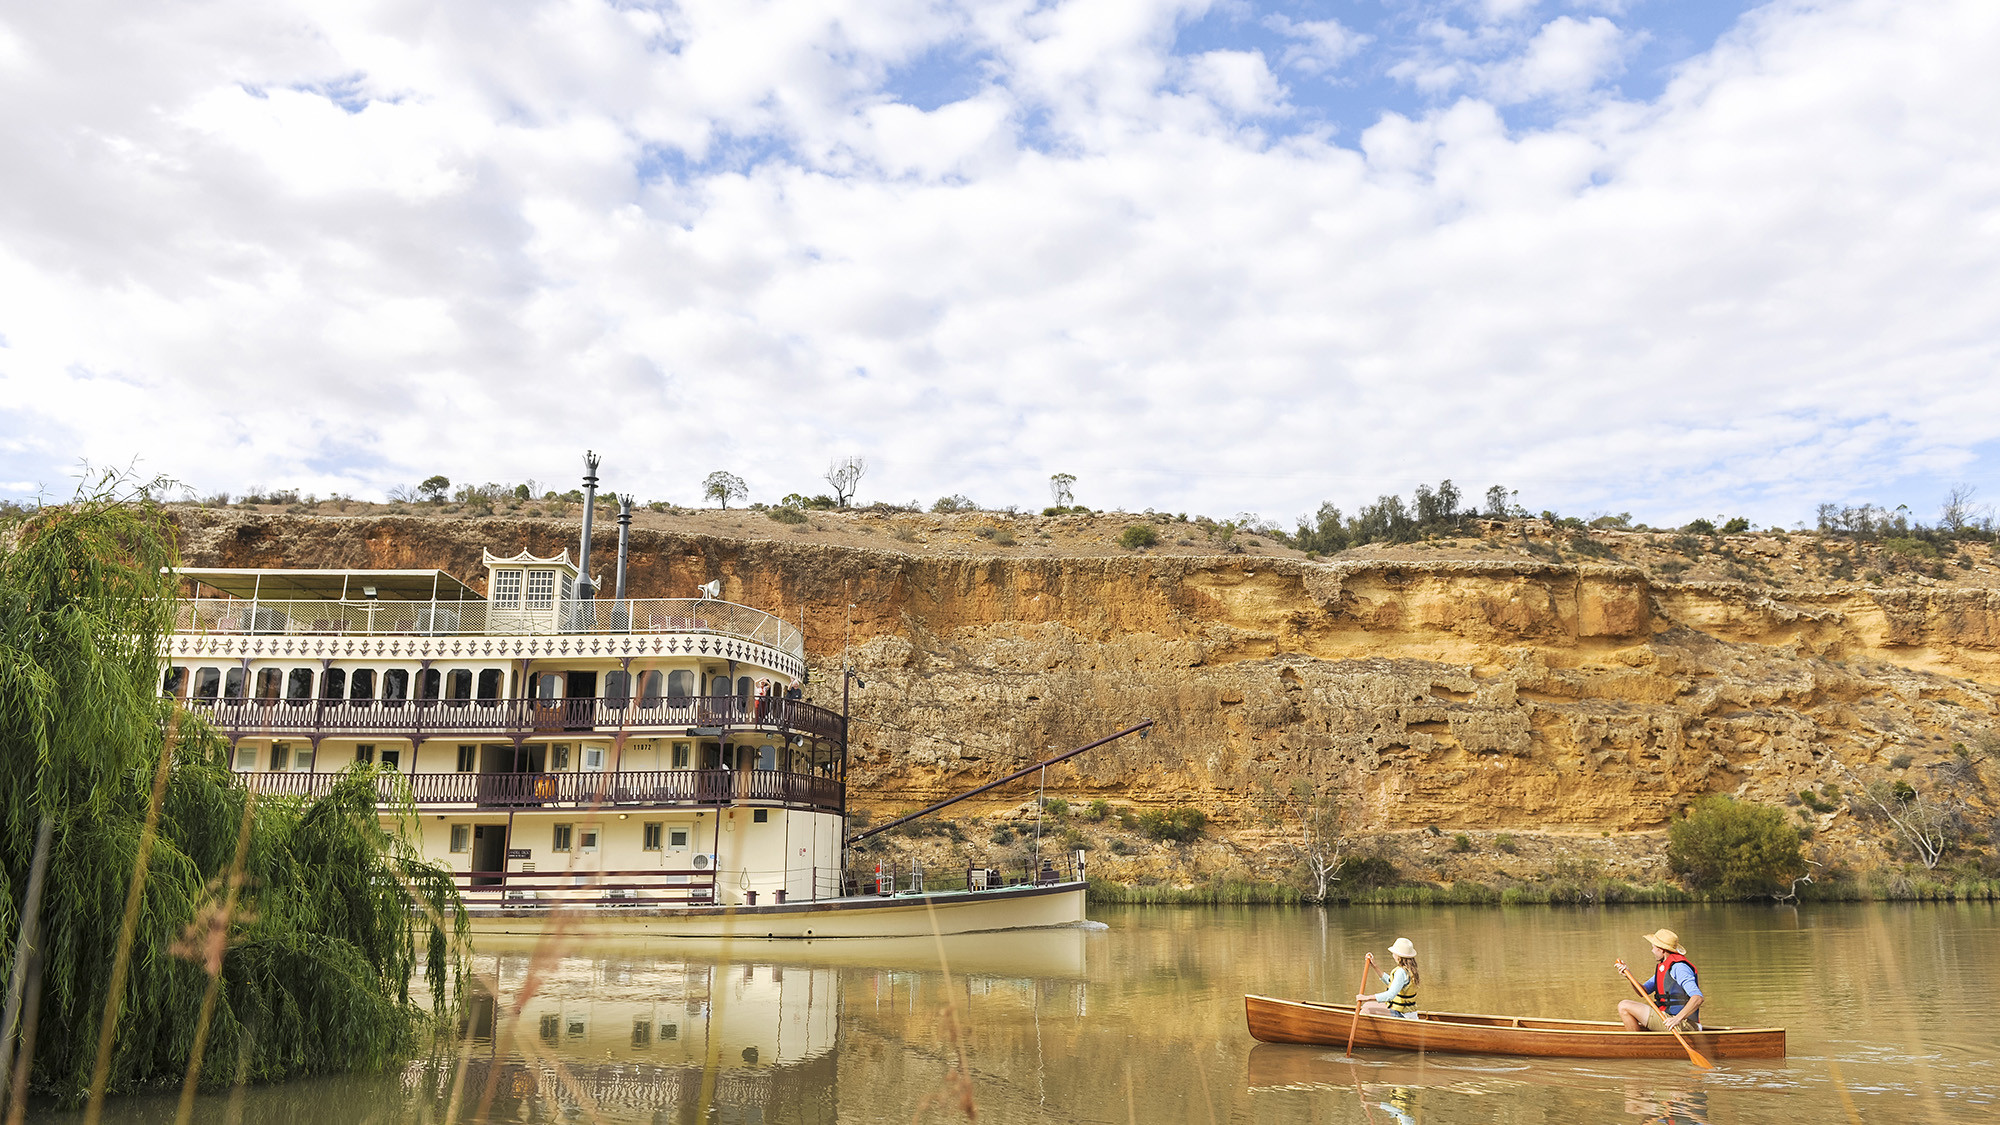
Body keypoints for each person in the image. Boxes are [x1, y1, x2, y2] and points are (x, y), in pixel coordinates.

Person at [1617, 928, 1703, 1032]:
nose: (1652, 950)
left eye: (1653, 947)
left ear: (1661, 949)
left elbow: (1697, 998)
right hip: (1667, 1018)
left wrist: (1677, 1019)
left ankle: (1637, 1044)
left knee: (1624, 1006)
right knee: (1626, 1007)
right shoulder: (1664, 967)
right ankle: (1640, 1043)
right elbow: (1643, 991)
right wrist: (1629, 975)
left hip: (1684, 1024)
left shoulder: (1680, 968)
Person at [1356, 937, 1421, 1019]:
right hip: (1410, 1014)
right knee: (1367, 1005)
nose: (1392, 955)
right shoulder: (1410, 969)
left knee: (1366, 1008)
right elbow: (1391, 982)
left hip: (1402, 1015)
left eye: (1394, 953)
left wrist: (1366, 998)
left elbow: (1390, 995)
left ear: (1399, 956)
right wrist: (1375, 966)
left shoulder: (1401, 972)